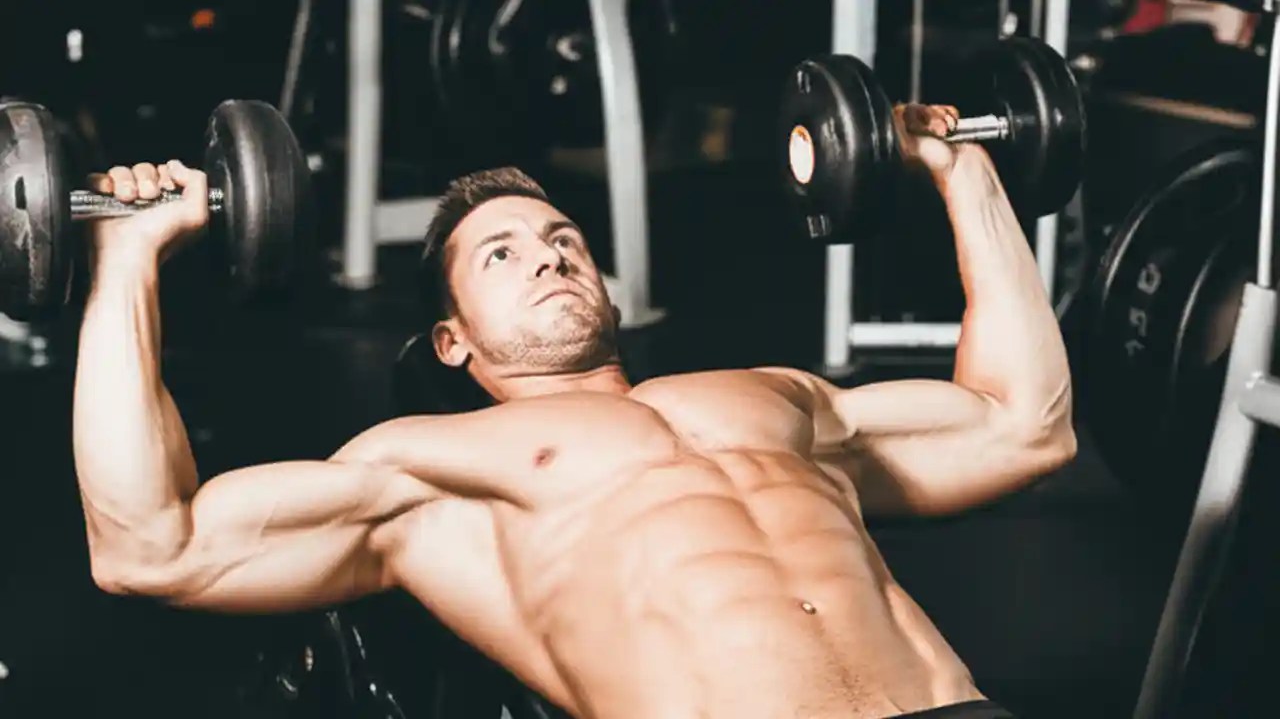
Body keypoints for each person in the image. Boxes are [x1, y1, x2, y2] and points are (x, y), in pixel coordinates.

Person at [72, 103, 1076, 719]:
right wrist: (128, 262)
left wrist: (964, 170)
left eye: (563, 240)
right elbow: (150, 547)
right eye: (500, 254)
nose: (548, 257)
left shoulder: (774, 397)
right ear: (452, 340)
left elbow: (1024, 424)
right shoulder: (431, 472)